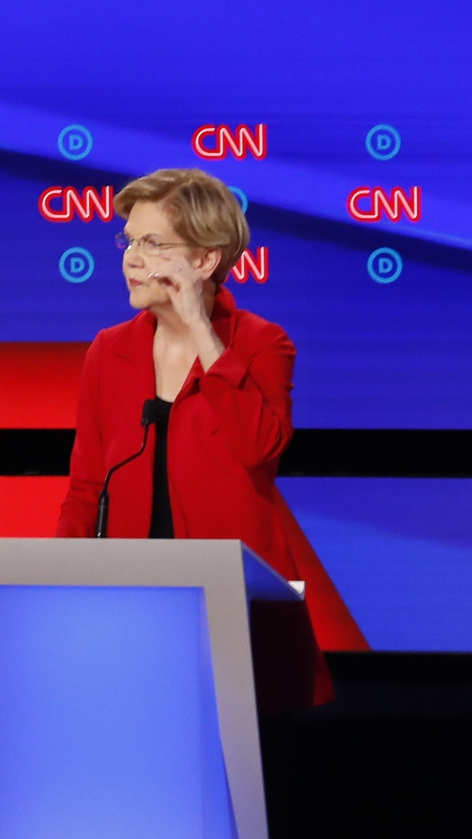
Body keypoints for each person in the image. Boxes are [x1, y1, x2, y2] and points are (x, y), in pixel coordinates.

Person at [54, 167, 368, 666]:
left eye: (153, 243)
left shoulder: (262, 343)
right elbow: (87, 485)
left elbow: (259, 449)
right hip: (131, 606)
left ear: (205, 259)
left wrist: (202, 329)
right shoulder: (109, 350)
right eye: (129, 240)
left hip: (233, 607)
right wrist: (63, 585)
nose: (132, 259)